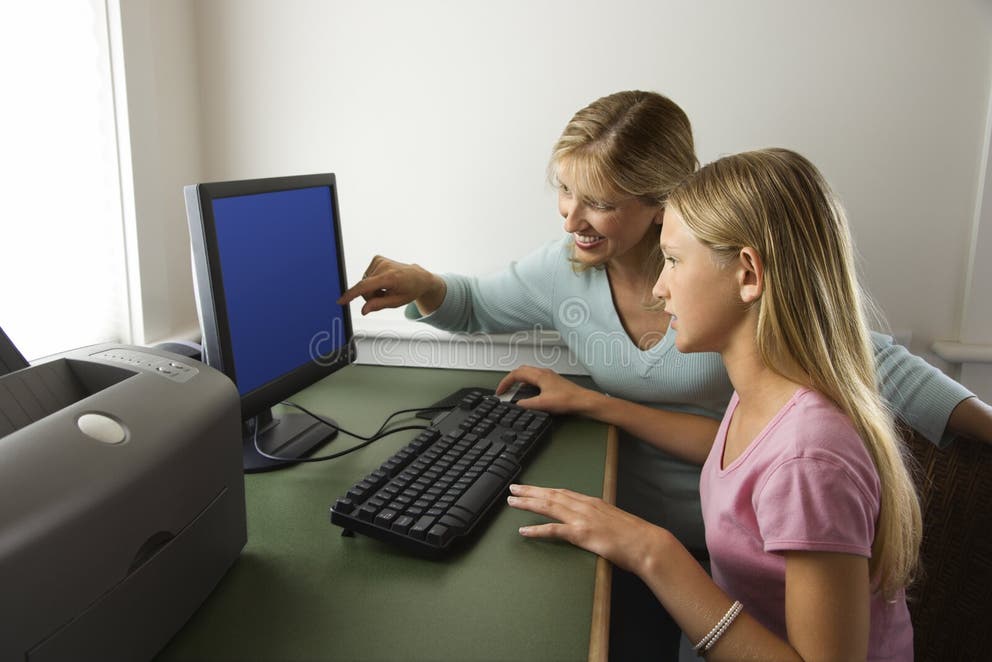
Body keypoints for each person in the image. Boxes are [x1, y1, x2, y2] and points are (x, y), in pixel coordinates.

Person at [338, 90, 991, 656]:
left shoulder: (805, 454)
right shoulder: (756, 398)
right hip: (718, 582)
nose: (570, 217)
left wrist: (653, 552)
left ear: (663, 208)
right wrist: (430, 286)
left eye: (599, 201)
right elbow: (477, 303)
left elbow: (867, 364)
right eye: (563, 190)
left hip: (709, 570)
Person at [507, 148, 922, 659]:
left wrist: (651, 551)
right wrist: (596, 404)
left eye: (674, 261)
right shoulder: (766, 394)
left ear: (748, 274)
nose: (659, 289)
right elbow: (737, 460)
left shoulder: (810, 459)